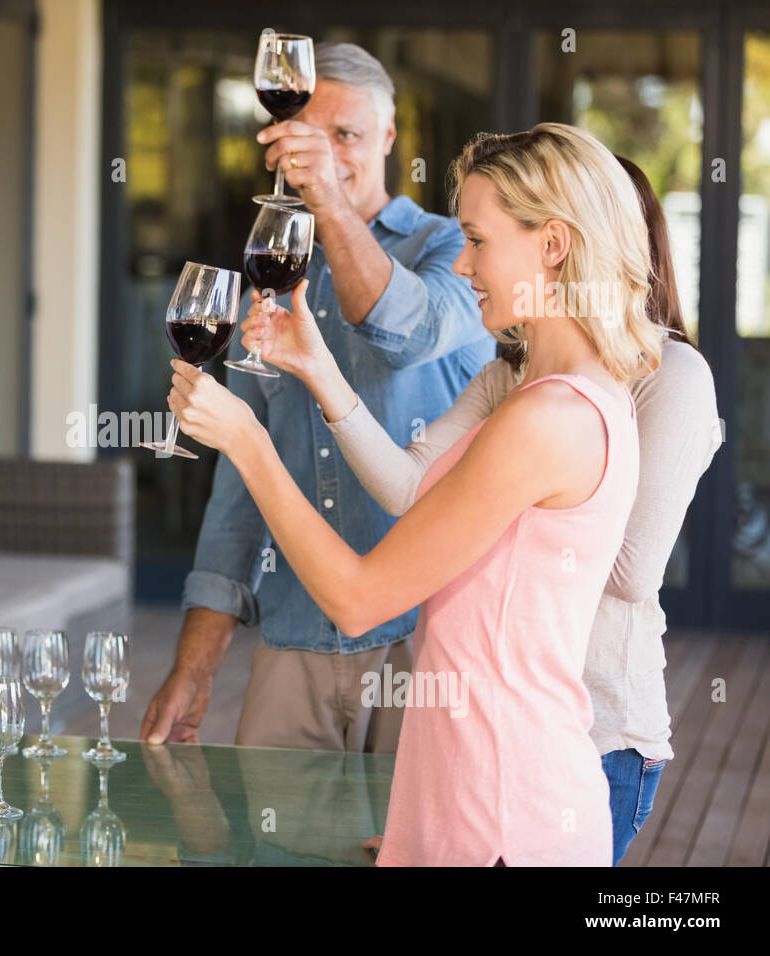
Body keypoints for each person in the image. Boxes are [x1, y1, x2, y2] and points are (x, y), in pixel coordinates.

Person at [168, 122, 662, 865]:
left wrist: (247, 441)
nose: (463, 266)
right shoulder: (552, 390)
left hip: (502, 815)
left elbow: (361, 597)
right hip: (470, 800)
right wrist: (316, 364)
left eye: (478, 240)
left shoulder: (547, 420)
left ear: (552, 245)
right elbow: (413, 489)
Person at [141, 42, 495, 754]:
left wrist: (327, 197)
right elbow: (241, 487)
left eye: (348, 136)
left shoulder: (457, 249)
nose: (327, 156)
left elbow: (404, 332)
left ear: (389, 139)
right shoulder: (272, 271)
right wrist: (195, 664)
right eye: (312, 135)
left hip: (424, 645)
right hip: (293, 642)